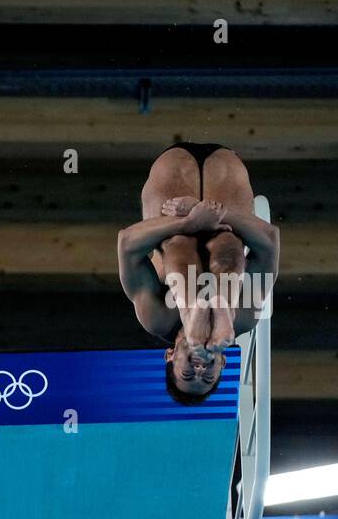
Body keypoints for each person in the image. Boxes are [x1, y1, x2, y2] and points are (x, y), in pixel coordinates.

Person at [117, 142, 280, 403]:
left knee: (178, 245)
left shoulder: (156, 318)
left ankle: (189, 307)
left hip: (173, 177)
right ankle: (221, 305)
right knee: (229, 247)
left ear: (169, 356)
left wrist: (188, 221)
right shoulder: (246, 319)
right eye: (206, 377)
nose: (199, 370)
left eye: (187, 374)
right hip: (225, 182)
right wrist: (214, 211)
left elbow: (126, 243)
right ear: (223, 363)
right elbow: (270, 240)